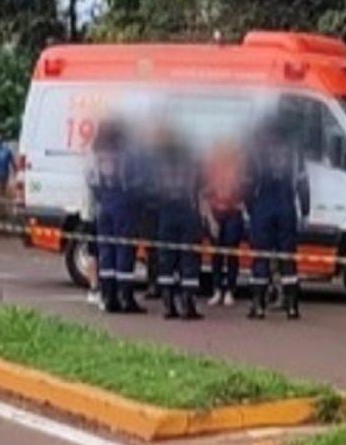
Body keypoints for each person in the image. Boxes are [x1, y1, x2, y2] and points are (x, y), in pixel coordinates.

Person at [243, 113, 311, 320]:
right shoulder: (295, 152)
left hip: (262, 209)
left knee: (260, 258)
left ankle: (259, 306)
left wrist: (250, 210)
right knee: (288, 259)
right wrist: (305, 211)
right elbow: (302, 184)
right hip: (286, 207)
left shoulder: (255, 152)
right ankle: (292, 307)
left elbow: (247, 185)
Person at [148, 124, 205, 320]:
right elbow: (200, 188)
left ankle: (168, 304)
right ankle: (188, 304)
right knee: (189, 260)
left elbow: (152, 191)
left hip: (166, 214)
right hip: (187, 213)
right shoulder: (192, 163)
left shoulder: (159, 164)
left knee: (167, 260)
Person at [87, 118, 140, 314]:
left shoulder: (95, 153)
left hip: (103, 206)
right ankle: (125, 297)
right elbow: (135, 180)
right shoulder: (126, 153)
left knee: (106, 251)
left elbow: (90, 178)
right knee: (124, 250)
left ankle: (107, 296)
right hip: (122, 204)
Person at [202, 141, 248, 306]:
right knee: (216, 253)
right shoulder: (211, 162)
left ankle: (230, 290)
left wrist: (242, 206)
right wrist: (210, 218)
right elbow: (204, 191)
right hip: (215, 211)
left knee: (231, 250)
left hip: (233, 211)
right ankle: (217, 290)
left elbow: (245, 187)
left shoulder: (239, 161)